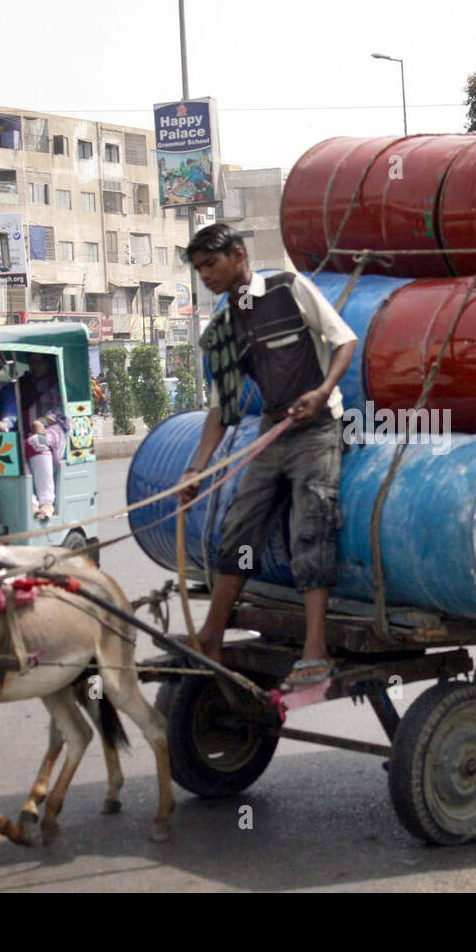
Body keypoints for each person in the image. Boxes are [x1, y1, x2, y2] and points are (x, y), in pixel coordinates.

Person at [180, 224, 357, 690]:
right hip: (273, 430)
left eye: (210, 264)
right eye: (198, 269)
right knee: (241, 528)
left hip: (317, 428)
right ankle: (212, 636)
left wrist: (322, 392)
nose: (205, 276)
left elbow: (344, 341)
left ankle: (315, 648)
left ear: (239, 255)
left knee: (311, 526)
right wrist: (197, 468)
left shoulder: (288, 289)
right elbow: (221, 408)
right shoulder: (223, 326)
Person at [0, 353, 67, 521]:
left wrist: (42, 422)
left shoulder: (56, 384)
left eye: (40, 363)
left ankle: (47, 501)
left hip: (54, 430)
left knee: (37, 442)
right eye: (33, 363)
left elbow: (60, 410)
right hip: (26, 433)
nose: (36, 367)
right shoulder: (23, 385)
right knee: (12, 449)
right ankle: (32, 503)